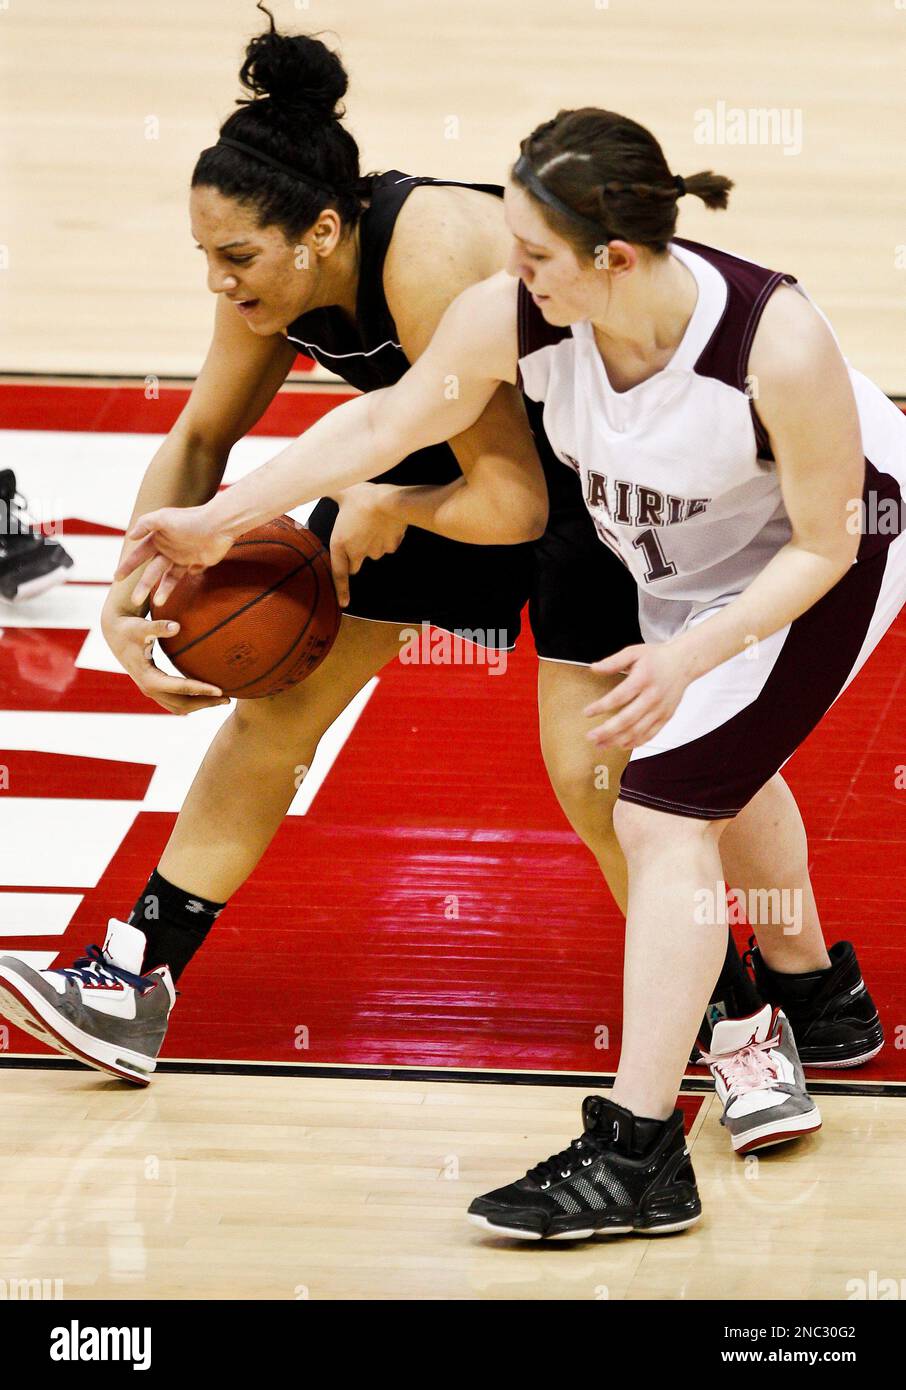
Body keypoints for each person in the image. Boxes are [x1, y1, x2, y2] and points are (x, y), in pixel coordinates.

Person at [109, 104, 903, 1237]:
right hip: (686, 554)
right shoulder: (521, 314)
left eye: (530, 251)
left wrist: (690, 653)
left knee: (662, 808)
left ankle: (640, 1154)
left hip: (829, 554)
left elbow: (824, 542)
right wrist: (219, 519)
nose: (507, 270)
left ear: (612, 257)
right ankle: (818, 999)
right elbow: (386, 421)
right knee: (709, 763)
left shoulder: (773, 342)